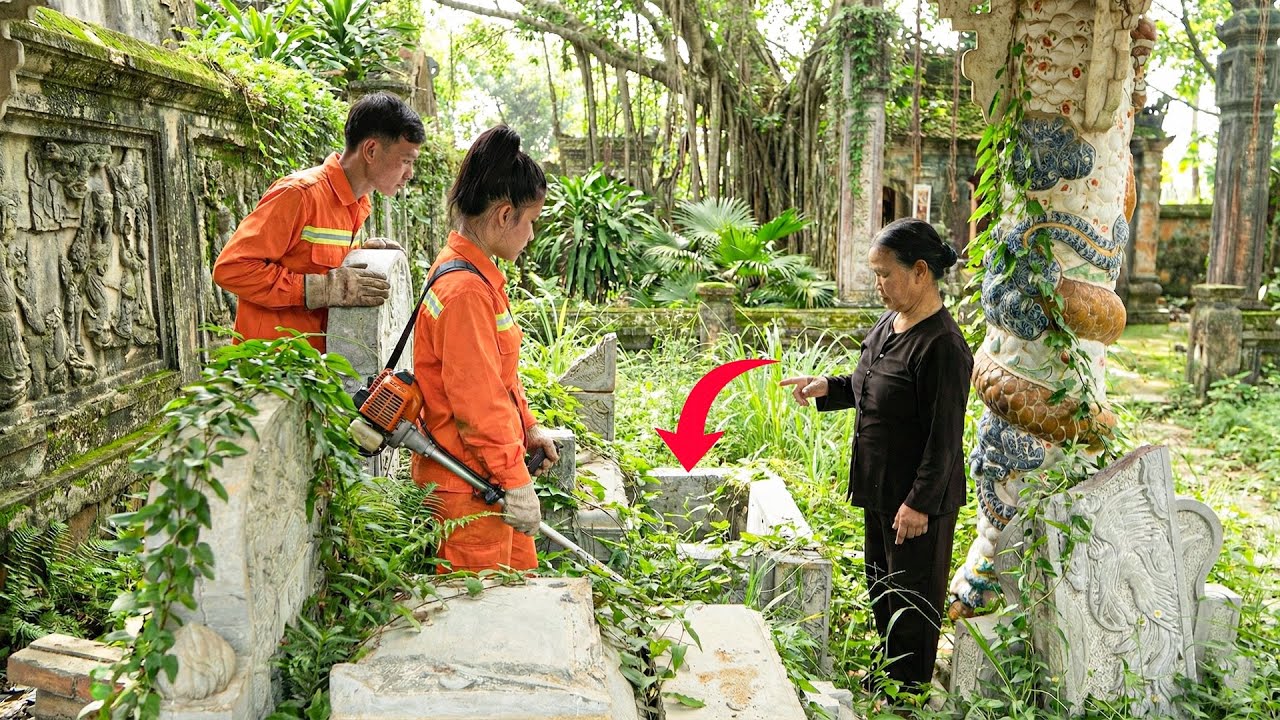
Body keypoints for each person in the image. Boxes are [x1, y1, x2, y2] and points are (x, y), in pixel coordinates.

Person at [781, 218, 972, 698]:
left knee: (913, 598)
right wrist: (826, 387)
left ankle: (907, 695)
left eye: (885, 274)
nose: (879, 285)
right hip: (880, 488)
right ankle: (888, 675)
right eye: (875, 275)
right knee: (883, 588)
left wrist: (920, 504)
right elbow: (869, 383)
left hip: (916, 502)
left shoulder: (943, 346)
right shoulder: (890, 323)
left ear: (920, 272)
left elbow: (945, 438)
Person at [411, 125, 559, 573]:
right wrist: (516, 482)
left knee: (517, 593)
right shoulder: (466, 293)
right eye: (530, 222)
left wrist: (529, 427)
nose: (530, 235)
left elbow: (498, 377)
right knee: (487, 607)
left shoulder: (472, 275)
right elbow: (478, 406)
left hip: (485, 483)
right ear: (504, 215)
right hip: (469, 493)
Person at [212, 91, 424, 351]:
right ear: (371, 150)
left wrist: (360, 256)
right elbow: (231, 269)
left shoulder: (358, 204)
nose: (410, 173)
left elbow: (315, 261)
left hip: (315, 366)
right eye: (406, 161)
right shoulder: (299, 194)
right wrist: (320, 289)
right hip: (271, 367)